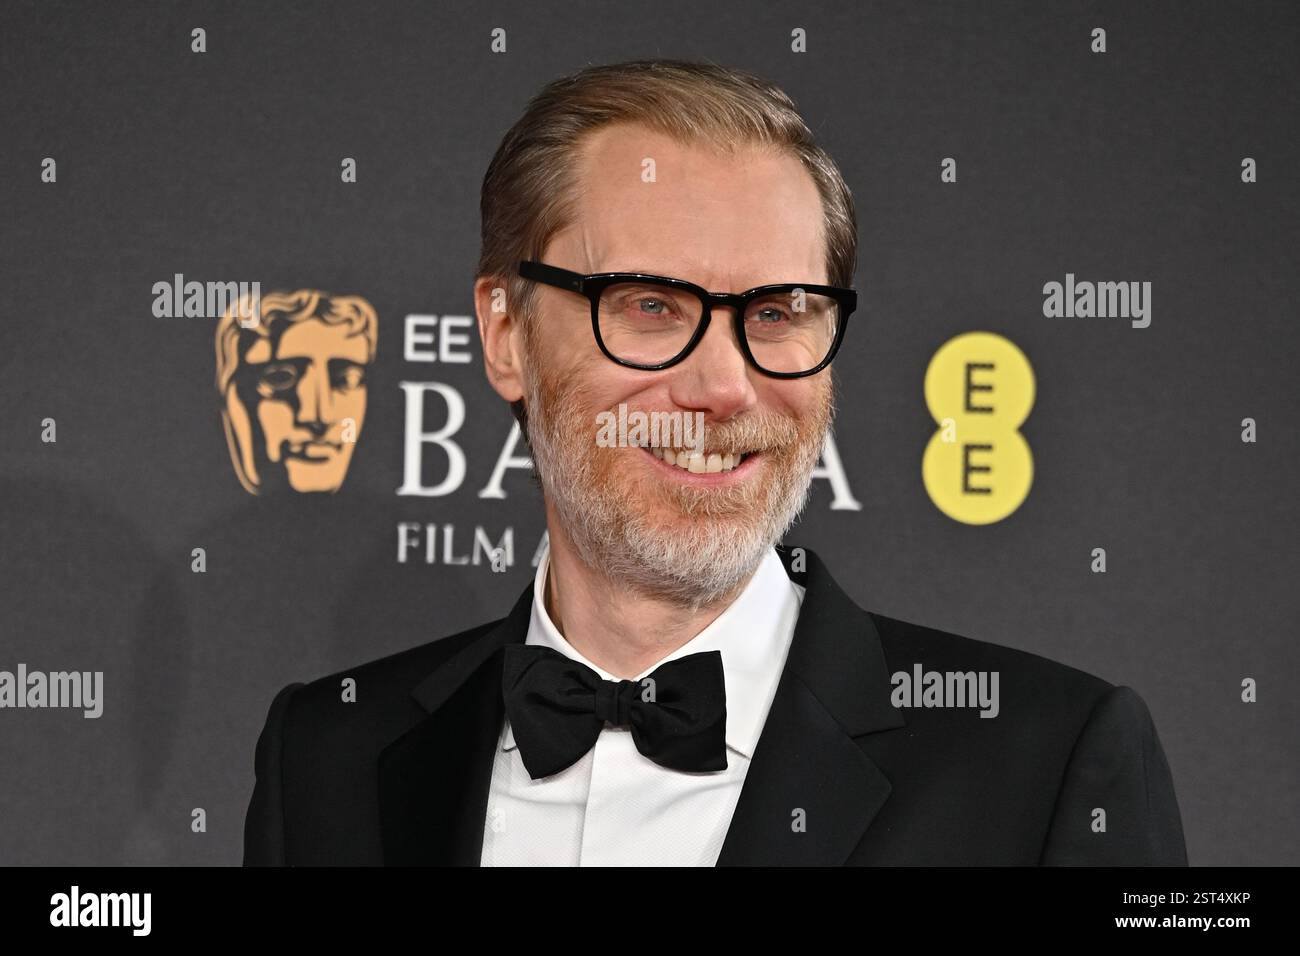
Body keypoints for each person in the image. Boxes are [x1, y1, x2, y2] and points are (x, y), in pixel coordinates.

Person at [244, 58, 1186, 866]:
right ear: (505, 335)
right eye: (651, 304)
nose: (724, 387)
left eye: (776, 314)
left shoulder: (1046, 763)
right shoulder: (328, 759)